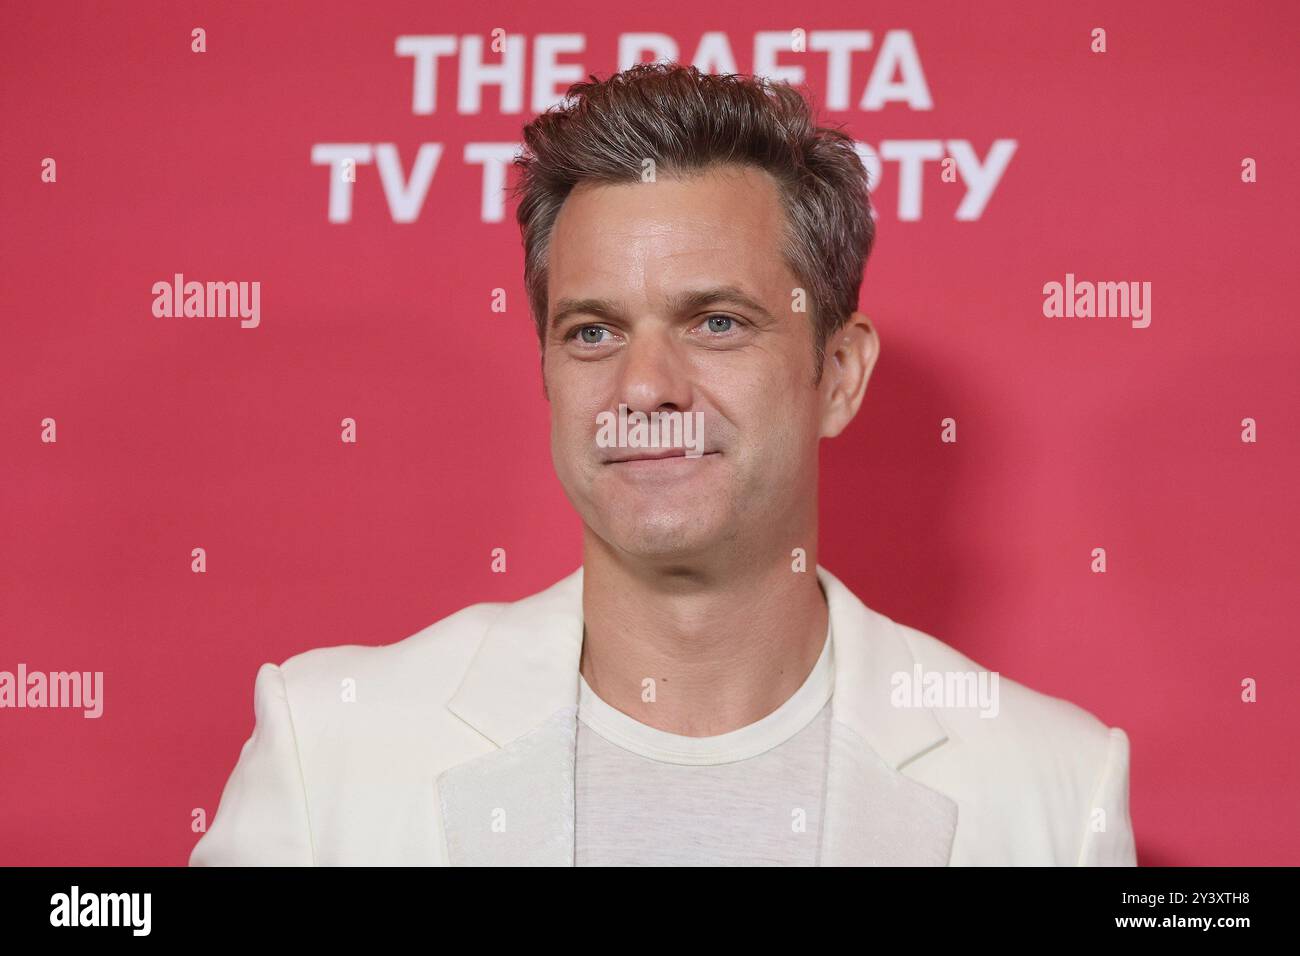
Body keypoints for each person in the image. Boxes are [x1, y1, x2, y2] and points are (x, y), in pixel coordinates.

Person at [189, 62, 1136, 867]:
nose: (644, 389)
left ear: (837, 375)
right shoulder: (331, 749)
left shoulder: (1050, 784)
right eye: (593, 331)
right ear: (550, 377)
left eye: (716, 322)